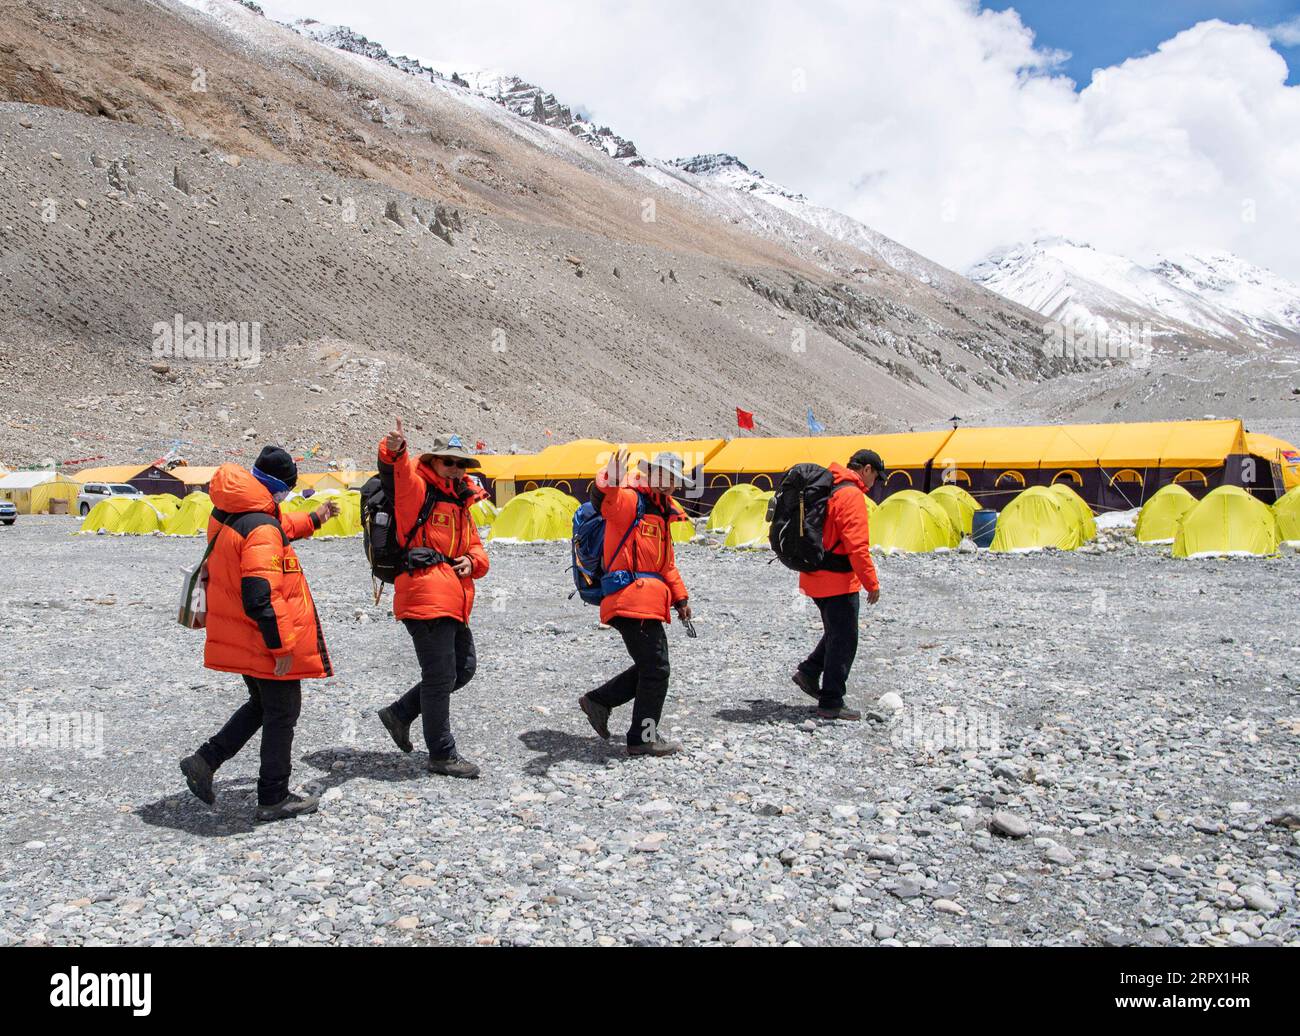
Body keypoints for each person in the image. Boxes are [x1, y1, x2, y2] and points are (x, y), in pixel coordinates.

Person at [179, 446, 339, 822]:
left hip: (238, 631)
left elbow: (273, 529)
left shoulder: (230, 510)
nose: (286, 497)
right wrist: (280, 645)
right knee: (283, 711)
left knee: (262, 706)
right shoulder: (262, 526)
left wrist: (314, 519)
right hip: (260, 636)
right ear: (278, 488)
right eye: (287, 490)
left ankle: (204, 761)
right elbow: (261, 593)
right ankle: (273, 796)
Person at [375, 420, 489, 778]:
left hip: (454, 598)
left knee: (463, 669)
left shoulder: (460, 503)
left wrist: (472, 561)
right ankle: (441, 753)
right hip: (424, 593)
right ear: (433, 461)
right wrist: (393, 449)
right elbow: (396, 470)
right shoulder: (416, 488)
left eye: (461, 464)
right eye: (448, 462)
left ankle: (400, 713)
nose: (456, 469)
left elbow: (478, 551)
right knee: (440, 675)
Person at [578, 448, 694, 756]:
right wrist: (609, 479)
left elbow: (666, 564)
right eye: (665, 476)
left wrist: (680, 597)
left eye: (674, 479)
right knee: (657, 668)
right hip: (629, 597)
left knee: (651, 666)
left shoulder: (660, 511)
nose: (670, 483)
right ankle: (642, 738)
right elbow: (606, 502)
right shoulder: (631, 500)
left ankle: (599, 701)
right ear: (652, 474)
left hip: (649, 600)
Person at [791, 448, 883, 721]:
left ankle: (808, 672)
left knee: (835, 631)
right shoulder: (851, 495)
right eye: (876, 476)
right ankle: (831, 701)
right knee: (844, 639)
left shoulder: (828, 485)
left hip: (814, 574)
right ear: (866, 469)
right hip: (838, 581)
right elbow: (857, 546)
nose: (874, 483)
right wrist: (871, 583)